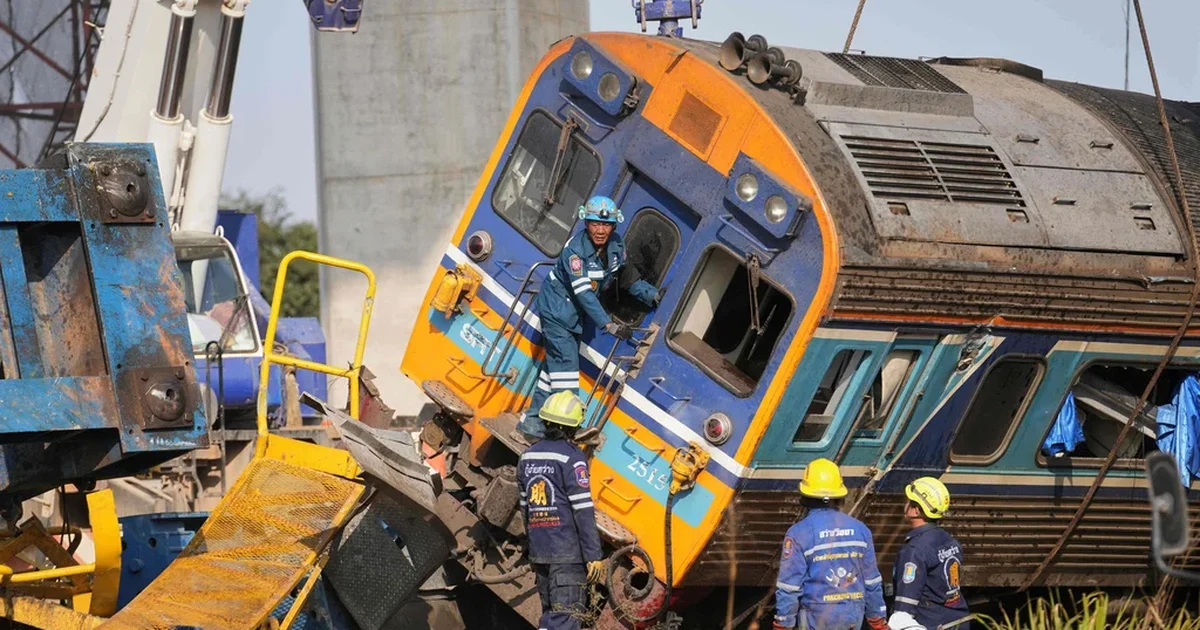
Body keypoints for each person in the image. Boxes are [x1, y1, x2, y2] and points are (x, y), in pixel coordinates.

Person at [515, 195, 662, 442]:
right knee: (566, 368)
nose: (600, 230)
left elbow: (625, 276)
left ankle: (531, 424)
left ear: (613, 226)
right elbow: (583, 292)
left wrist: (652, 295)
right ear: (586, 223)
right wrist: (609, 324)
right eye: (595, 224)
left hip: (574, 317)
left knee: (553, 370)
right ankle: (569, 427)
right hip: (557, 311)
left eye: (605, 225)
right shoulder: (575, 252)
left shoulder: (616, 246)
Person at [517, 390, 607, 630]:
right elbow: (582, 510)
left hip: (541, 552)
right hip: (566, 556)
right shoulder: (572, 458)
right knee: (565, 620)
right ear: (574, 426)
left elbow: (525, 509)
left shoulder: (527, 457)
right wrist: (594, 555)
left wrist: (534, 546)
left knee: (550, 617)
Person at [774, 458, 888, 630]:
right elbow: (871, 581)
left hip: (816, 618)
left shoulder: (798, 534)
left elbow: (789, 587)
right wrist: (877, 617)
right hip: (852, 616)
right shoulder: (860, 530)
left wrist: (783, 623)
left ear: (805, 494)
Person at [887, 477, 970, 630]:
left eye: (908, 502)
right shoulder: (949, 540)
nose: (904, 505)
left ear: (917, 510)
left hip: (931, 623)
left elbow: (904, 608)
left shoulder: (914, 550)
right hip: (957, 620)